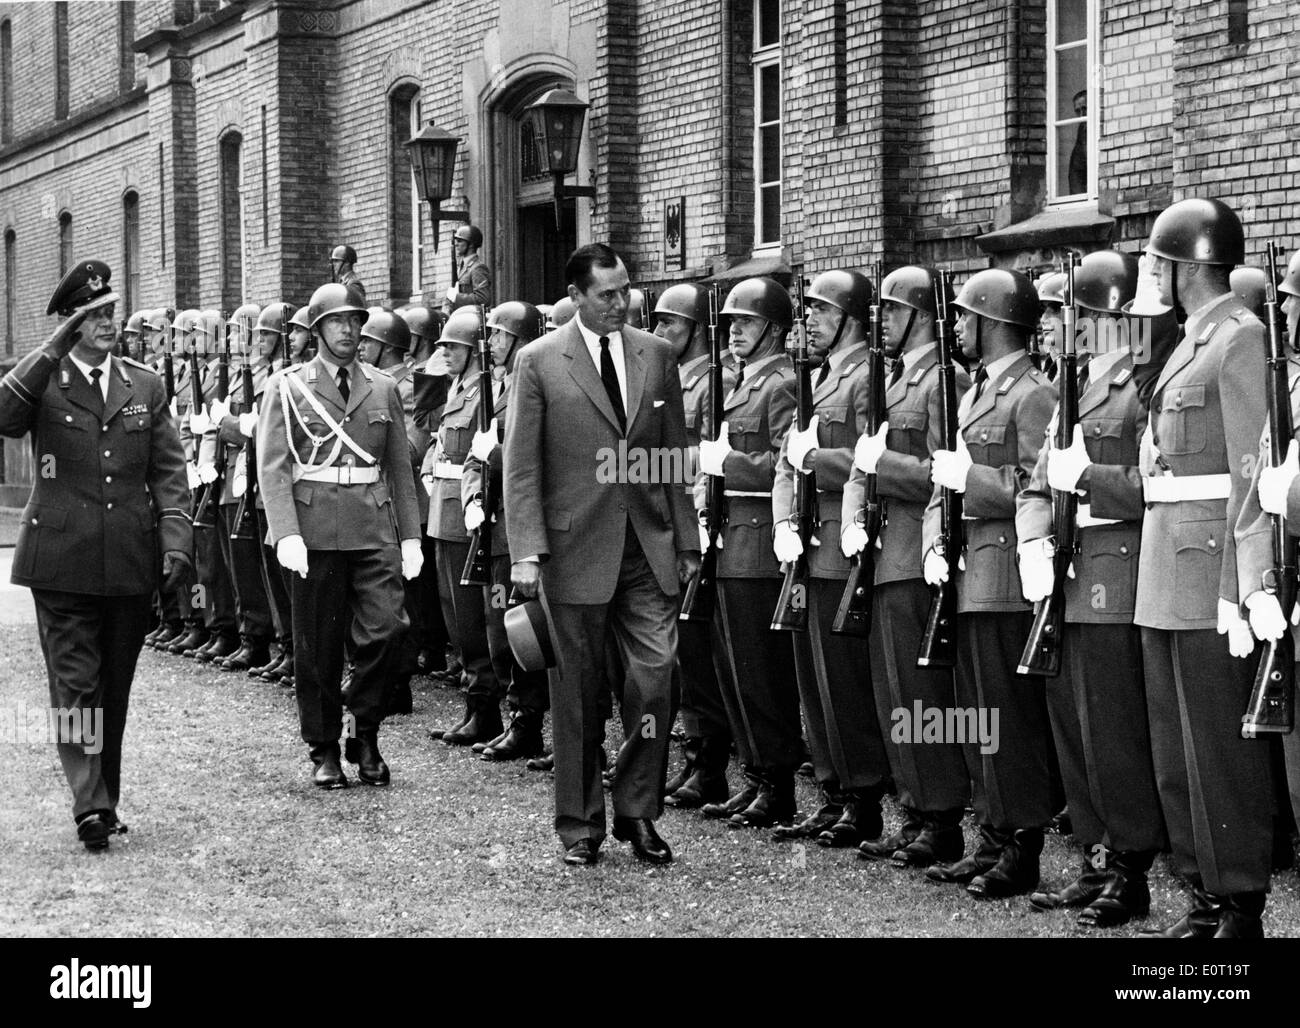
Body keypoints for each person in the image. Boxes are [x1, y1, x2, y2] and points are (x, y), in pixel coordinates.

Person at [504, 242, 699, 866]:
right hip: (572, 549)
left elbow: (673, 456)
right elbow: (522, 467)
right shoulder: (538, 362)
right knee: (578, 692)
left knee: (655, 678)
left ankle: (637, 809)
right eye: (608, 294)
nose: (623, 303)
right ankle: (580, 823)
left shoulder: (657, 355)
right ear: (577, 298)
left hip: (647, 544)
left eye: (627, 291)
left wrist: (688, 541)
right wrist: (526, 551)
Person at [0, 260, 192, 850]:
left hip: (129, 558)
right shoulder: (44, 380)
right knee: (75, 683)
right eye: (93, 315)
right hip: (60, 558)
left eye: (110, 311)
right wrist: (51, 348)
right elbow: (3, 418)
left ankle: (103, 794)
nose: (108, 322)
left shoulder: (145, 384)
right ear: (70, 324)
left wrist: (177, 541)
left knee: (114, 685)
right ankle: (89, 804)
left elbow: (168, 471)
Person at [1015, 250, 1172, 927]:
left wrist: (1088, 482)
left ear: (1106, 316)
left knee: (1111, 726)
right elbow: (1035, 478)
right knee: (1072, 724)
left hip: (1113, 565)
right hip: (1065, 569)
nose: (1054, 322)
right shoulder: (1071, 384)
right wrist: (1031, 538)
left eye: (1067, 310)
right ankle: (1095, 855)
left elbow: (1152, 492)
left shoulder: (1141, 384)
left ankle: (1130, 868)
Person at [1135, 198, 1273, 938]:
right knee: (1173, 752)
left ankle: (1240, 899)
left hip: (1208, 571)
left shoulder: (1240, 339)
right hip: (1161, 567)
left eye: (1157, 261)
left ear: (1186, 264)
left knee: (1217, 750)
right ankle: (1200, 891)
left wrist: (1238, 589)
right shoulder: (1186, 340)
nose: (1150, 273)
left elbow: (1252, 472)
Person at [922, 267, 1059, 899]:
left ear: (993, 322)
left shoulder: (1033, 395)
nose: (955, 326)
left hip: (1005, 569)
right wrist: (933, 544)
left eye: (964, 316)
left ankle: (1022, 843)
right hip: (971, 567)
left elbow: (1036, 487)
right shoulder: (975, 391)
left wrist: (967, 480)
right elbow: (941, 486)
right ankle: (994, 831)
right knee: (978, 714)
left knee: (1008, 717)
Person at [256, 282, 423, 789]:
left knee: (389, 629)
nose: (349, 330)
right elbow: (274, 466)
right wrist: (285, 532)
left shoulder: (383, 387)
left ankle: (363, 729)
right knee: (318, 646)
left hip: (372, 526)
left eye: (355, 321)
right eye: (337, 322)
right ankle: (325, 746)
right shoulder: (287, 387)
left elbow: (399, 468)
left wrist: (411, 537)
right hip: (313, 531)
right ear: (317, 330)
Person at [843, 266, 972, 868]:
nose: (884, 322)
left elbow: (946, 478)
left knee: (922, 695)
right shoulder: (892, 383)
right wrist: (853, 516)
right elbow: (860, 471)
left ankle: (941, 815)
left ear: (921, 315)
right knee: (893, 690)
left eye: (893, 311)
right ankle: (916, 807)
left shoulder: (947, 382)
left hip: (919, 554)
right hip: (883, 550)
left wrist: (885, 466)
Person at [772, 269, 893, 848]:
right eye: (809, 310)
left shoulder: (869, 376)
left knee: (843, 680)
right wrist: (782, 522)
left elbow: (870, 464)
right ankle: (832, 788)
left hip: (844, 543)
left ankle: (862, 796)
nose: (810, 321)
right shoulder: (820, 375)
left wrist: (815, 458)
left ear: (849, 316)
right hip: (808, 543)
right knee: (814, 679)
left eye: (821, 311)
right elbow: (784, 463)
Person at [693, 277, 802, 826]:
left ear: (775, 330)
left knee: (762, 673)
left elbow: (784, 465)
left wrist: (725, 465)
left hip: (760, 542)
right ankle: (757, 773)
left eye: (748, 322)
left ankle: (776, 783)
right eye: (732, 322)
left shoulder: (780, 383)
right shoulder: (740, 381)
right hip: (731, 538)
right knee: (733, 669)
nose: (735, 330)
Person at [652, 282, 737, 807]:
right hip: (670, 516)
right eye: (658, 323)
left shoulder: (716, 381)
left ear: (699, 330)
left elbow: (708, 458)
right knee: (682, 649)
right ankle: (694, 756)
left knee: (702, 651)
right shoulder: (670, 376)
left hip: (700, 521)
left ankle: (711, 764)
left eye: (672, 324)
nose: (661, 332)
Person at [463, 300, 550, 761]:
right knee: (500, 628)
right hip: (494, 529)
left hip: (520, 532)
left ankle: (527, 720)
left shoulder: (531, 386)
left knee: (523, 630)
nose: (492, 342)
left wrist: (494, 455)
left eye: (500, 334)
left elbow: (527, 459)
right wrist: (474, 498)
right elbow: (477, 460)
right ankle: (513, 714)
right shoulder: (498, 387)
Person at [422, 306, 503, 745]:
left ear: (474, 351)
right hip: (444, 510)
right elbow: (441, 443)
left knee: (473, 620)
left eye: (453, 346)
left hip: (464, 514)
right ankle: (474, 706)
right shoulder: (458, 389)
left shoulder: (483, 391)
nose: (446, 353)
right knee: (455, 616)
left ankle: (485, 708)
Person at [447, 225, 492, 311]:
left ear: (471, 244)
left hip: (472, 319)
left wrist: (457, 297)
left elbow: (483, 299)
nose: (456, 244)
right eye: (456, 241)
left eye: (460, 241)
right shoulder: (461, 267)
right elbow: (450, 298)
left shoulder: (478, 268)